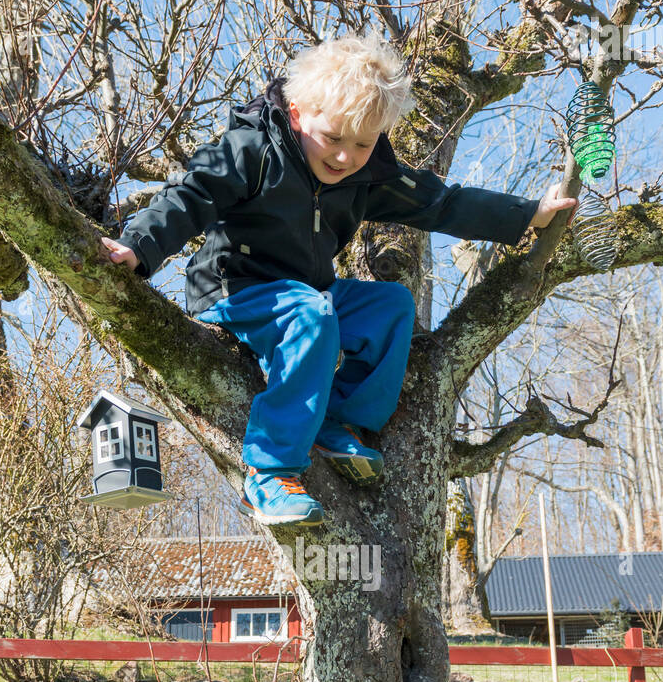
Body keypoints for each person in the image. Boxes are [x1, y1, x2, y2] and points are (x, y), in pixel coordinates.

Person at [102, 34, 576, 527]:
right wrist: (138, 247)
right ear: (298, 111)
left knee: (391, 306)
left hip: (310, 294)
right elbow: (190, 196)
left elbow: (441, 202)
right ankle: (268, 473)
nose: (346, 157)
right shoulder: (252, 148)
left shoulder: (364, 175)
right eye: (333, 138)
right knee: (311, 312)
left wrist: (528, 215)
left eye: (363, 144)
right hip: (237, 289)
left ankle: (334, 419)